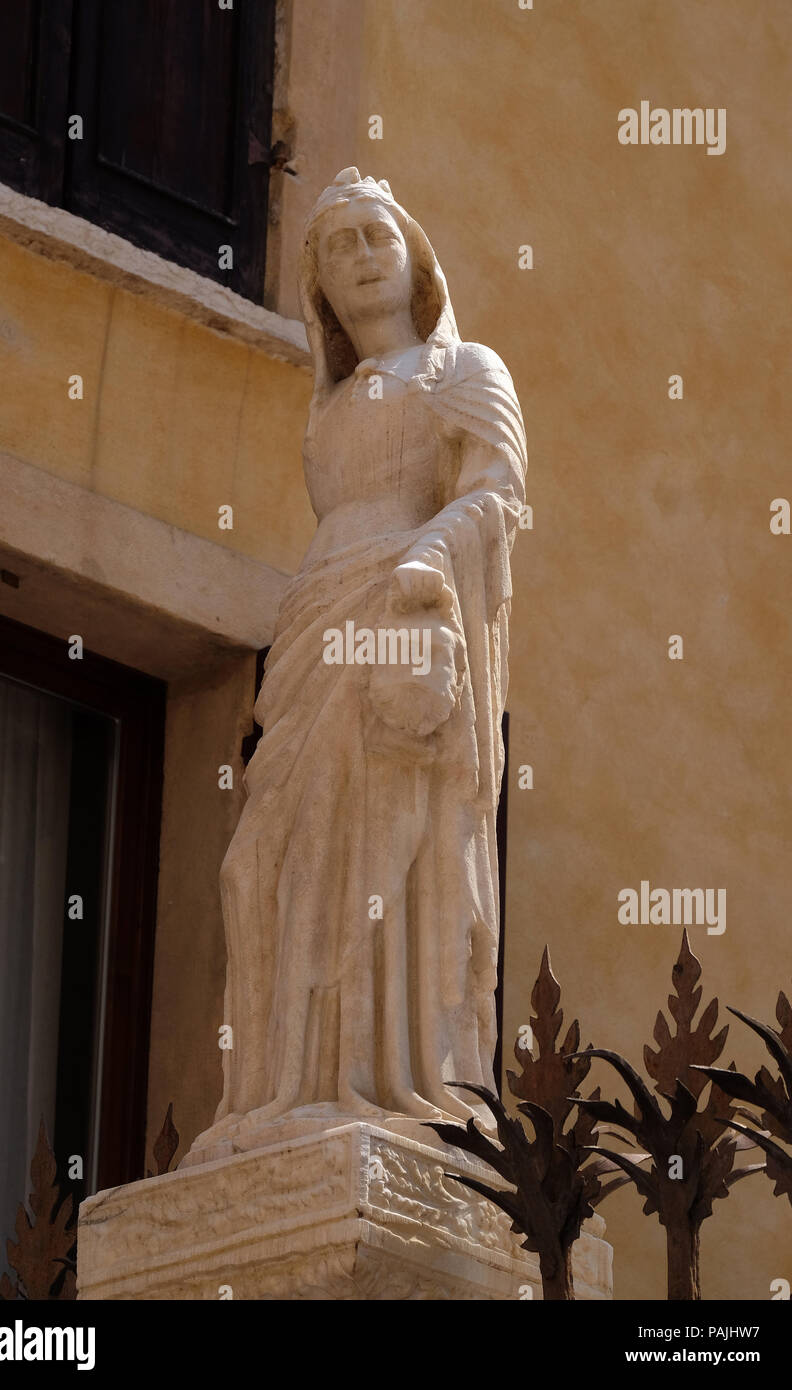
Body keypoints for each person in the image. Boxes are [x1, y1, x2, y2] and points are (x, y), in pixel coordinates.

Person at [187, 168, 527, 1161]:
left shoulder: (463, 368)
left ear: (412, 256)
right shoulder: (323, 411)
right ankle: (274, 1087)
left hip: (399, 615)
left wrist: (428, 556)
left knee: (369, 843)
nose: (360, 256)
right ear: (319, 292)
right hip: (311, 632)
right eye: (336, 247)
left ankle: (371, 1079)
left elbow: (500, 495)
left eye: (375, 235)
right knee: (259, 863)